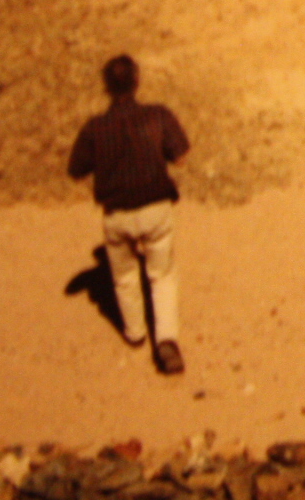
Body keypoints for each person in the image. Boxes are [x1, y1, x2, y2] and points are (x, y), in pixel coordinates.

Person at [68, 54, 191, 374]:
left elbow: (75, 170)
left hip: (117, 215)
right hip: (155, 210)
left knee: (123, 277)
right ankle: (166, 340)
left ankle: (135, 331)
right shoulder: (158, 115)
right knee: (162, 275)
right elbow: (180, 157)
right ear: (137, 81)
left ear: (106, 86)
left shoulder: (95, 128)